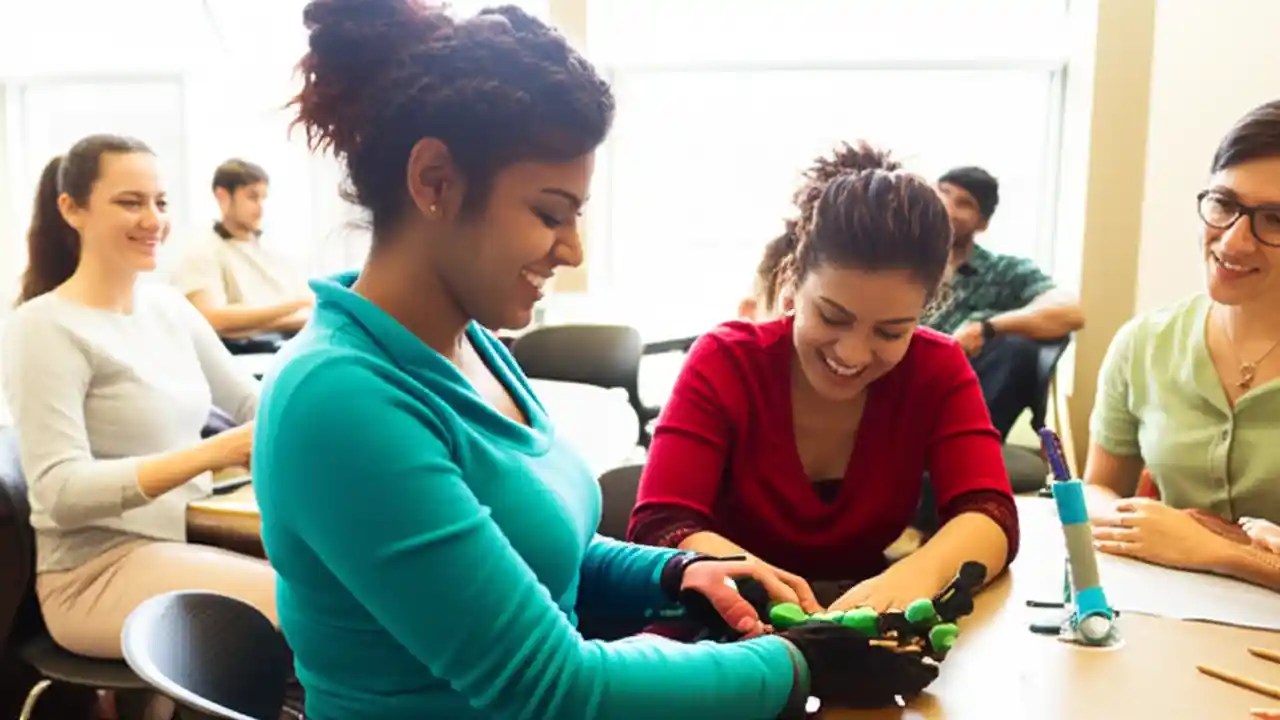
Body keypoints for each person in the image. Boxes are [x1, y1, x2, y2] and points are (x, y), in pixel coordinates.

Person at [251, 3, 935, 719]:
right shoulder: (340, 400)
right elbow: (549, 686)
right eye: (550, 213)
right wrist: (797, 663)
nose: (572, 249)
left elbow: (542, 556)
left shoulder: (471, 345)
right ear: (435, 182)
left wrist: (679, 574)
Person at [629, 141, 1018, 613]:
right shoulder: (726, 360)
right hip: (721, 621)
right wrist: (773, 595)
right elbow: (661, 523)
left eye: (891, 331)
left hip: (861, 614)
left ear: (925, 310)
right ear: (794, 282)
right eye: (832, 317)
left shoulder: (937, 368)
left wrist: (917, 573)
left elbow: (991, 514)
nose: (852, 352)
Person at [1086, 100, 1280, 591]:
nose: (1233, 243)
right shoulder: (1145, 343)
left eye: (1275, 220)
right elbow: (1098, 486)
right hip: (1169, 613)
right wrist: (1128, 520)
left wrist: (1216, 551)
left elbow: (1203, 549)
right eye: (1224, 204)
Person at [924, 166, 1085, 438]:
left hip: (953, 401)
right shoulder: (901, 263)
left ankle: (966, 444)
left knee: (1017, 348)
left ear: (982, 222)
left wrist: (986, 327)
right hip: (891, 391)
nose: (947, 208)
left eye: (964, 203)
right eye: (943, 194)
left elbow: (1070, 312)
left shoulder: (1003, 272)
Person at [172, 158, 312, 346]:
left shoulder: (275, 250)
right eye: (252, 197)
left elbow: (307, 315)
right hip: (244, 355)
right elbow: (213, 319)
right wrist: (296, 305)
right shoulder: (202, 251)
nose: (260, 207)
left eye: (264, 198)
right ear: (222, 197)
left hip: (292, 344)